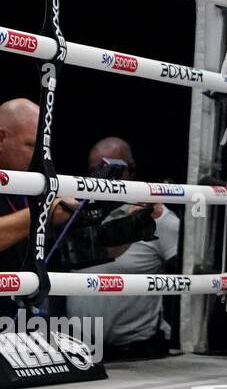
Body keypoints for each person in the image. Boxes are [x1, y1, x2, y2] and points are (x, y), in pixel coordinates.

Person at [64, 138, 178, 360]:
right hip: (81, 354)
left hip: (139, 355)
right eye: (96, 171)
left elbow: (187, 270)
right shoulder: (75, 217)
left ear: (131, 170)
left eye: (114, 170)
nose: (105, 179)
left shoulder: (155, 217)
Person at [0, 98, 76, 319]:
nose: (40, 157)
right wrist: (43, 212)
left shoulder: (31, 184)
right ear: (1, 138)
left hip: (27, 328)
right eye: (31, 146)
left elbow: (71, 253)